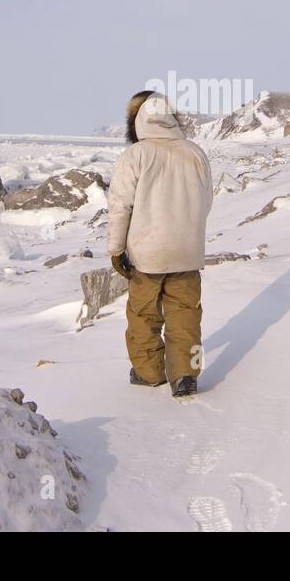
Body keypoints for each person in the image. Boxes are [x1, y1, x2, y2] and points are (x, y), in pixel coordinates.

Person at [107, 91, 214, 397]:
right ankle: (184, 375)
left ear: (137, 119)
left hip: (146, 254)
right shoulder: (194, 153)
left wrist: (116, 250)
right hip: (187, 252)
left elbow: (119, 207)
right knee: (185, 313)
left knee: (144, 314)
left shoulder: (135, 155)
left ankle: (148, 371)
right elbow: (205, 202)